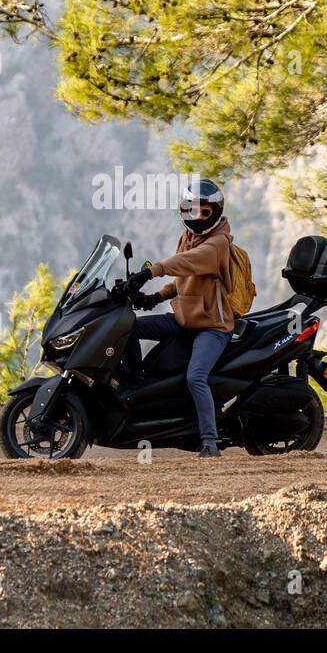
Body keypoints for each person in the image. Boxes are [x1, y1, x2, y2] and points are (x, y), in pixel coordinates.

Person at [125, 179, 236, 458]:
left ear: (216, 212)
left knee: (196, 377)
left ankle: (209, 441)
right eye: (191, 210)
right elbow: (182, 278)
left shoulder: (218, 243)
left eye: (205, 212)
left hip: (211, 327)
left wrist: (151, 271)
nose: (197, 217)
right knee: (127, 326)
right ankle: (137, 382)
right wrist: (154, 298)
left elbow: (187, 263)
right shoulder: (187, 237)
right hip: (183, 319)